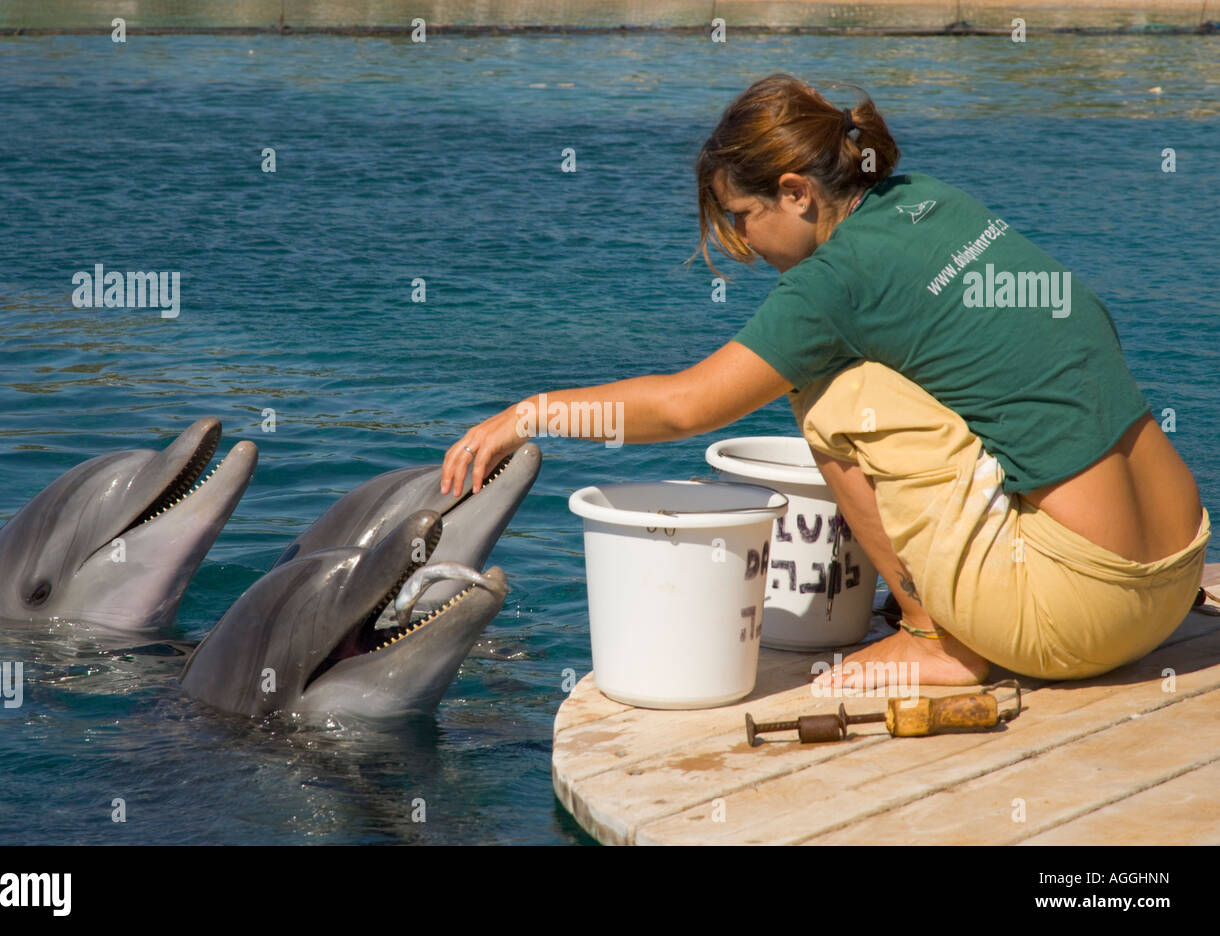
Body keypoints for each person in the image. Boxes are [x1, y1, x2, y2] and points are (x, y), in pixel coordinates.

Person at [438, 73, 1210, 690]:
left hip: (1078, 620)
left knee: (827, 388)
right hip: (1177, 573)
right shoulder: (934, 203)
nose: (740, 239)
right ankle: (960, 604)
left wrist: (533, 413)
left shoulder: (830, 284)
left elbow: (686, 408)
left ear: (797, 192)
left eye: (743, 214)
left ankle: (933, 639)